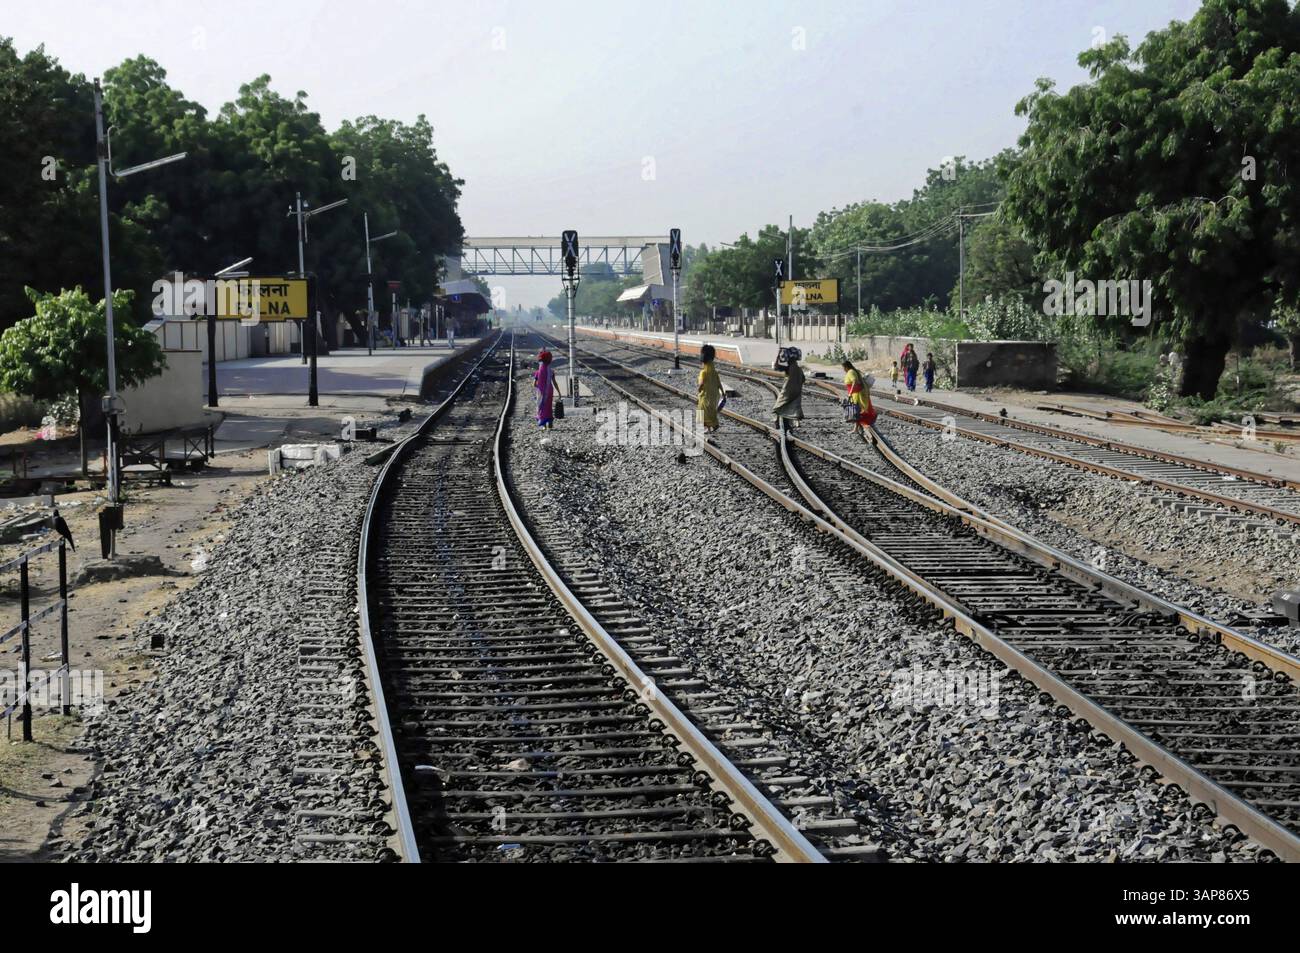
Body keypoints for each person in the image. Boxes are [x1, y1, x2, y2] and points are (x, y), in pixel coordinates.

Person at [772, 346, 805, 427]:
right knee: (796, 406)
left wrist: (778, 355)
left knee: (779, 404)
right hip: (797, 390)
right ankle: (796, 421)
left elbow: (776, 366)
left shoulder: (789, 368)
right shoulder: (798, 369)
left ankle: (777, 420)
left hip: (787, 391)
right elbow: (803, 379)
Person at [697, 344, 723, 433]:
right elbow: (719, 383)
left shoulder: (703, 372)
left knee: (701, 410)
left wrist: (699, 389)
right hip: (715, 395)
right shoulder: (714, 372)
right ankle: (714, 425)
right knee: (711, 411)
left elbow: (701, 384)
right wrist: (723, 393)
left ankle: (706, 428)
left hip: (705, 395)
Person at [843, 359, 875, 431]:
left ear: (846, 367)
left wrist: (850, 392)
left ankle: (857, 428)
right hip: (858, 393)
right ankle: (856, 428)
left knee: (857, 411)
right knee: (857, 411)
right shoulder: (853, 371)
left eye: (844, 368)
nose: (843, 369)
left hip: (857, 394)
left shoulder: (851, 372)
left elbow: (854, 381)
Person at [534, 350, 557, 429]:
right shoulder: (551, 371)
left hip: (541, 392)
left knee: (542, 407)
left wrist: (539, 387)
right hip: (550, 391)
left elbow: (534, 384)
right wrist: (559, 392)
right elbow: (555, 383)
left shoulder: (538, 372)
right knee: (549, 407)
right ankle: (550, 423)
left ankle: (543, 425)